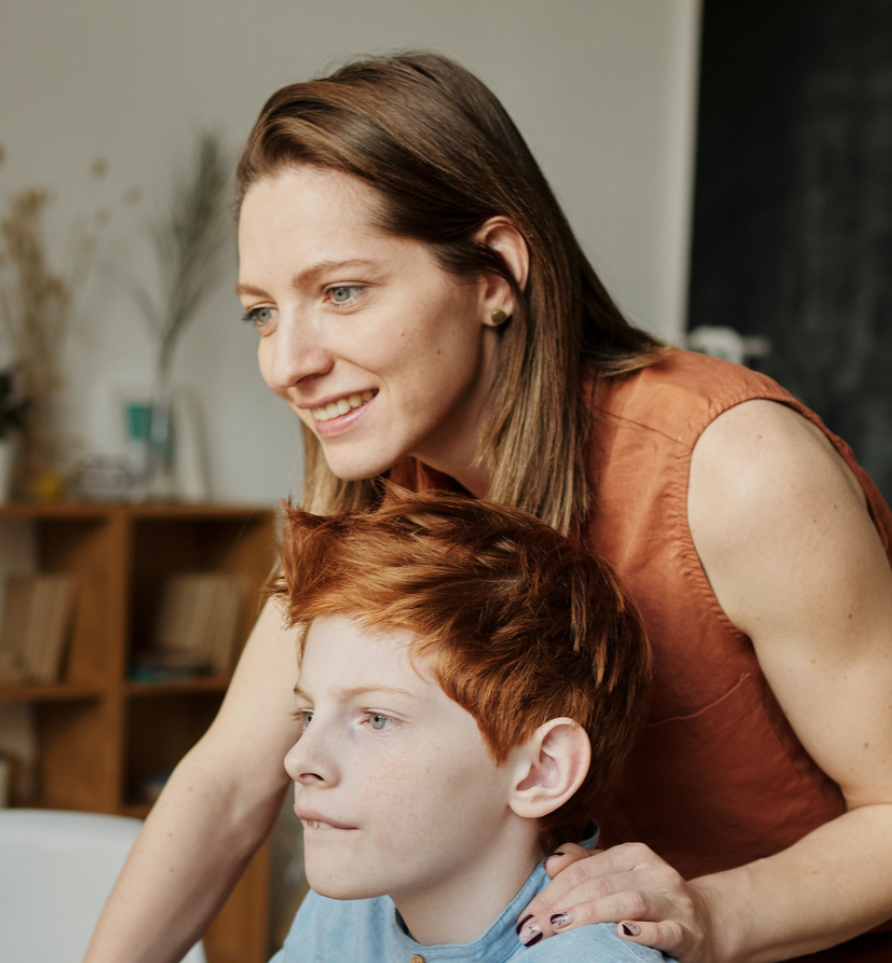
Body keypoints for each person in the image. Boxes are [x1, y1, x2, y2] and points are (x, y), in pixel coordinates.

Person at [83, 52, 892, 963]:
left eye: (341, 292)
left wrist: (707, 914)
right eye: (262, 313)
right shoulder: (371, 489)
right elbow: (229, 782)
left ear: (496, 275)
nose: (287, 362)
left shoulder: (736, 468)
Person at [269, 488, 663, 962]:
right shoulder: (350, 908)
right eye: (309, 715)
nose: (299, 760)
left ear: (542, 769)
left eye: (377, 719)